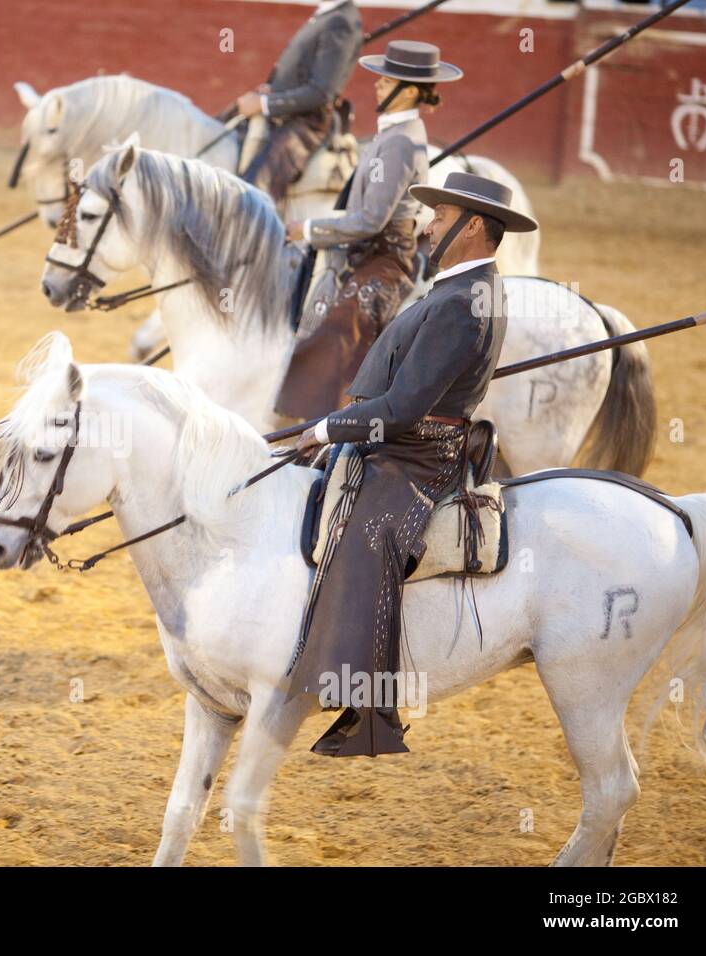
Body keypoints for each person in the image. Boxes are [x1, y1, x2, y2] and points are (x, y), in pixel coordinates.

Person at [285, 171, 540, 757]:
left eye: (441, 219)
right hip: (401, 439)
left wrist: (326, 428)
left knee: (369, 531)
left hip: (418, 456)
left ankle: (369, 709)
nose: (427, 226)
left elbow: (400, 410)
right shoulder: (459, 288)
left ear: (473, 227)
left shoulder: (461, 302)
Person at [274, 40, 461, 424]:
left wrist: (308, 229)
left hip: (386, 260)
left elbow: (370, 220)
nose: (376, 85)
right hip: (365, 253)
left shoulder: (401, 143)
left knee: (342, 326)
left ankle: (338, 427)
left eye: (385, 80)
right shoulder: (392, 135)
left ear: (408, 90)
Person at [234, 0, 362, 204]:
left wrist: (266, 104)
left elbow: (321, 92)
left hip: (307, 122)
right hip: (287, 110)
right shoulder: (328, 14)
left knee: (254, 192)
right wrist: (273, 91)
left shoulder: (341, 22)